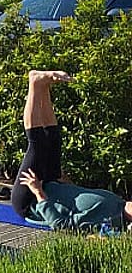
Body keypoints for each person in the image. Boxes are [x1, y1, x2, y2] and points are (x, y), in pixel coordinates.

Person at [12, 70, 132, 231]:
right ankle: (43, 86)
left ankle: (34, 83)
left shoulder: (108, 219)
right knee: (53, 137)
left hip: (30, 198)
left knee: (38, 144)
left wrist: (38, 192)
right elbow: (80, 197)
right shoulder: (118, 202)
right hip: (53, 183)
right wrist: (68, 184)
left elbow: (63, 225)